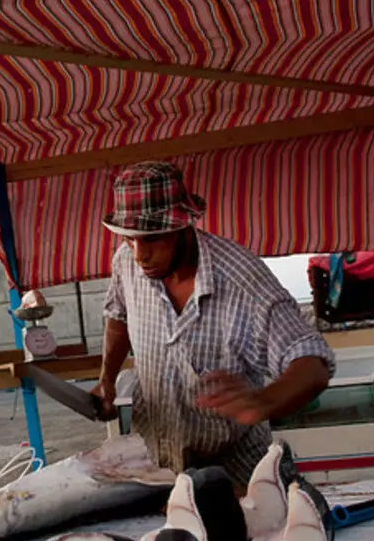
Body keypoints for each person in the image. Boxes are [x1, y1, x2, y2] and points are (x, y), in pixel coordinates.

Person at [90, 161, 336, 486]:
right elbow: (118, 314)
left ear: (182, 226)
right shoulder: (126, 262)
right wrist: (107, 378)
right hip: (159, 468)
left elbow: (312, 361)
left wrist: (264, 401)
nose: (139, 254)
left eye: (152, 239)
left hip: (238, 475)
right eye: (130, 239)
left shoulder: (241, 278)